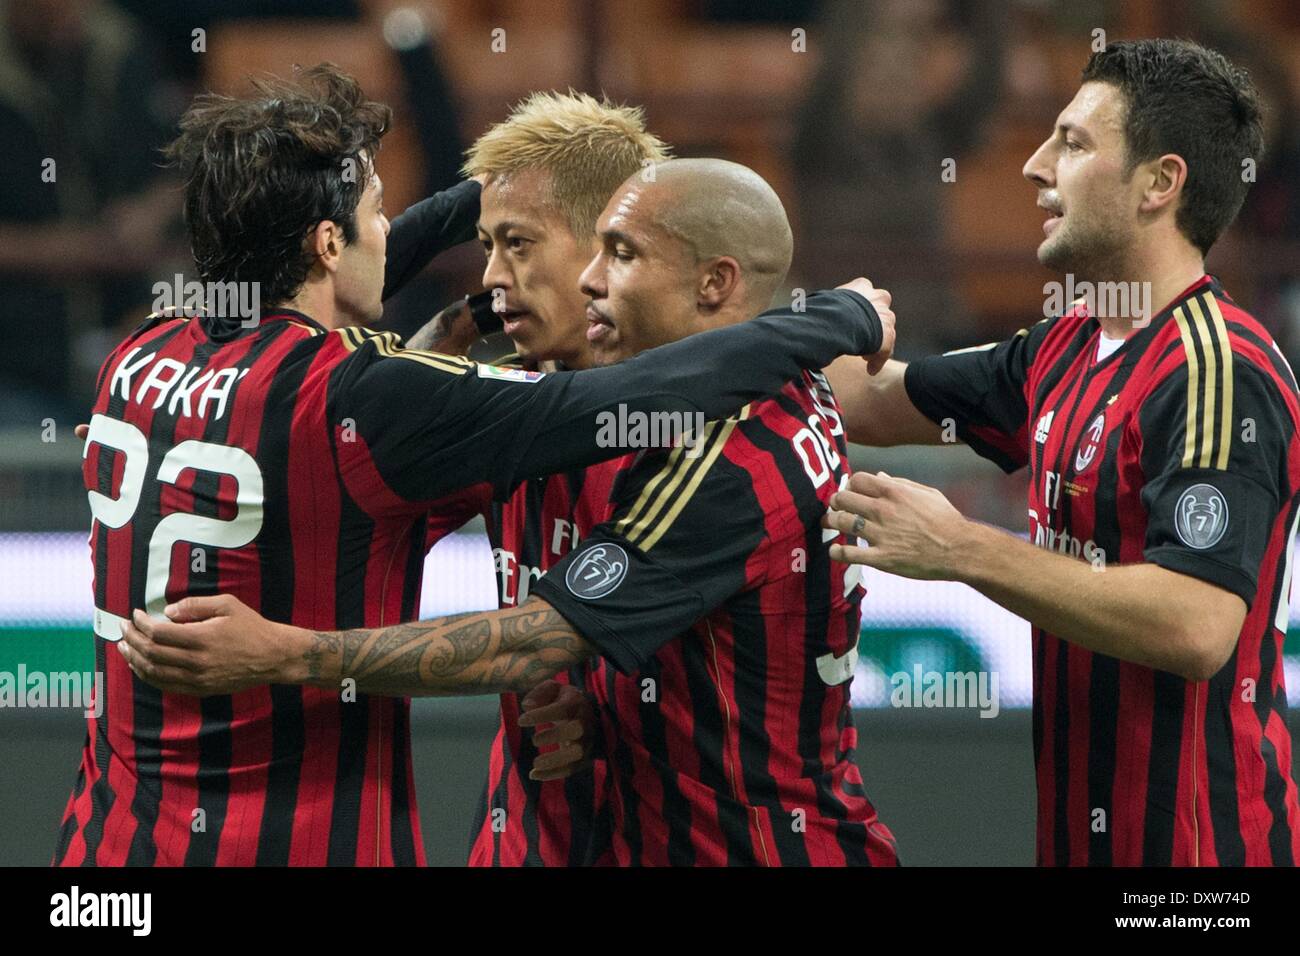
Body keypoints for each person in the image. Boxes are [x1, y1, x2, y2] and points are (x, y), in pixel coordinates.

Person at [55, 64, 891, 866]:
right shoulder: (408, 400)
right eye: (379, 214)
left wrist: (603, 710)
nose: (486, 276)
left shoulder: (139, 354)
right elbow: (577, 417)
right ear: (326, 241)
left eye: (517, 244)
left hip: (108, 836)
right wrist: (837, 317)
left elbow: (333, 295)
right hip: (291, 838)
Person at [820, 38, 1300, 866]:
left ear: (1161, 182)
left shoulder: (1219, 371)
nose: (1034, 165)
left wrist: (963, 550)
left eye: (1073, 143)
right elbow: (868, 396)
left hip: (1203, 862)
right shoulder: (1064, 347)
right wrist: (755, 334)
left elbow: (1196, 624)